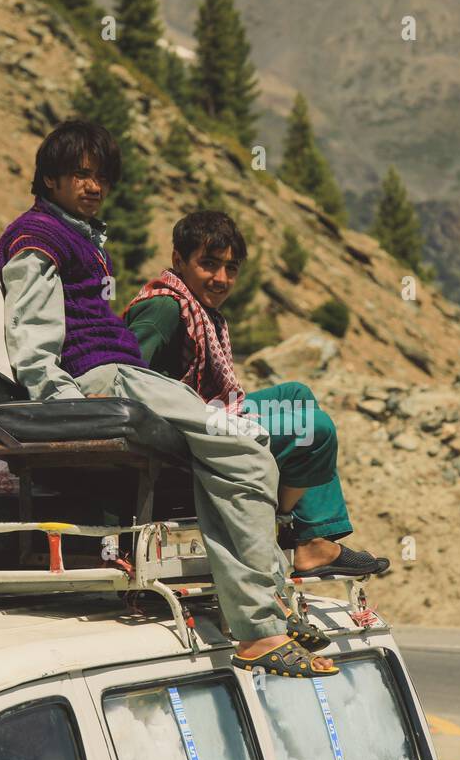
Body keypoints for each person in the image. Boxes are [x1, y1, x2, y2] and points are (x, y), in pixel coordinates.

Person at [0, 119, 334, 678]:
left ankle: (268, 602)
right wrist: (65, 407)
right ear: (50, 176)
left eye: (101, 176)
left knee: (252, 441)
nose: (93, 186)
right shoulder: (37, 237)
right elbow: (30, 340)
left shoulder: (79, 238)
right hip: (105, 380)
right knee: (245, 447)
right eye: (80, 174)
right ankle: (258, 630)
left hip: (124, 377)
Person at [123, 211, 388, 579]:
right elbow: (127, 377)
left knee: (296, 394)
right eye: (209, 264)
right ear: (178, 261)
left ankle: (314, 539)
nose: (221, 279)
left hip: (205, 412)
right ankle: (288, 526)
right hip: (184, 432)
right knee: (315, 429)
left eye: (231, 268)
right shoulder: (165, 308)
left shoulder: (202, 309)